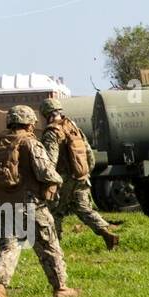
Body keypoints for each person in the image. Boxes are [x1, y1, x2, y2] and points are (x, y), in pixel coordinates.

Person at [0, 105, 78, 297]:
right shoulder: (30, 143)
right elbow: (45, 172)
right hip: (31, 205)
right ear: (29, 122)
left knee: (8, 248)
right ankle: (61, 288)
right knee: (49, 245)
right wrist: (57, 183)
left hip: (4, 207)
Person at [39, 98, 119, 250]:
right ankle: (107, 233)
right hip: (81, 177)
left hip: (64, 180)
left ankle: (54, 247)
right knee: (84, 209)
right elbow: (89, 153)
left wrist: (47, 181)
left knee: (54, 212)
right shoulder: (72, 126)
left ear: (46, 114)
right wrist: (85, 172)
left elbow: (50, 161)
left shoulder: (52, 132)